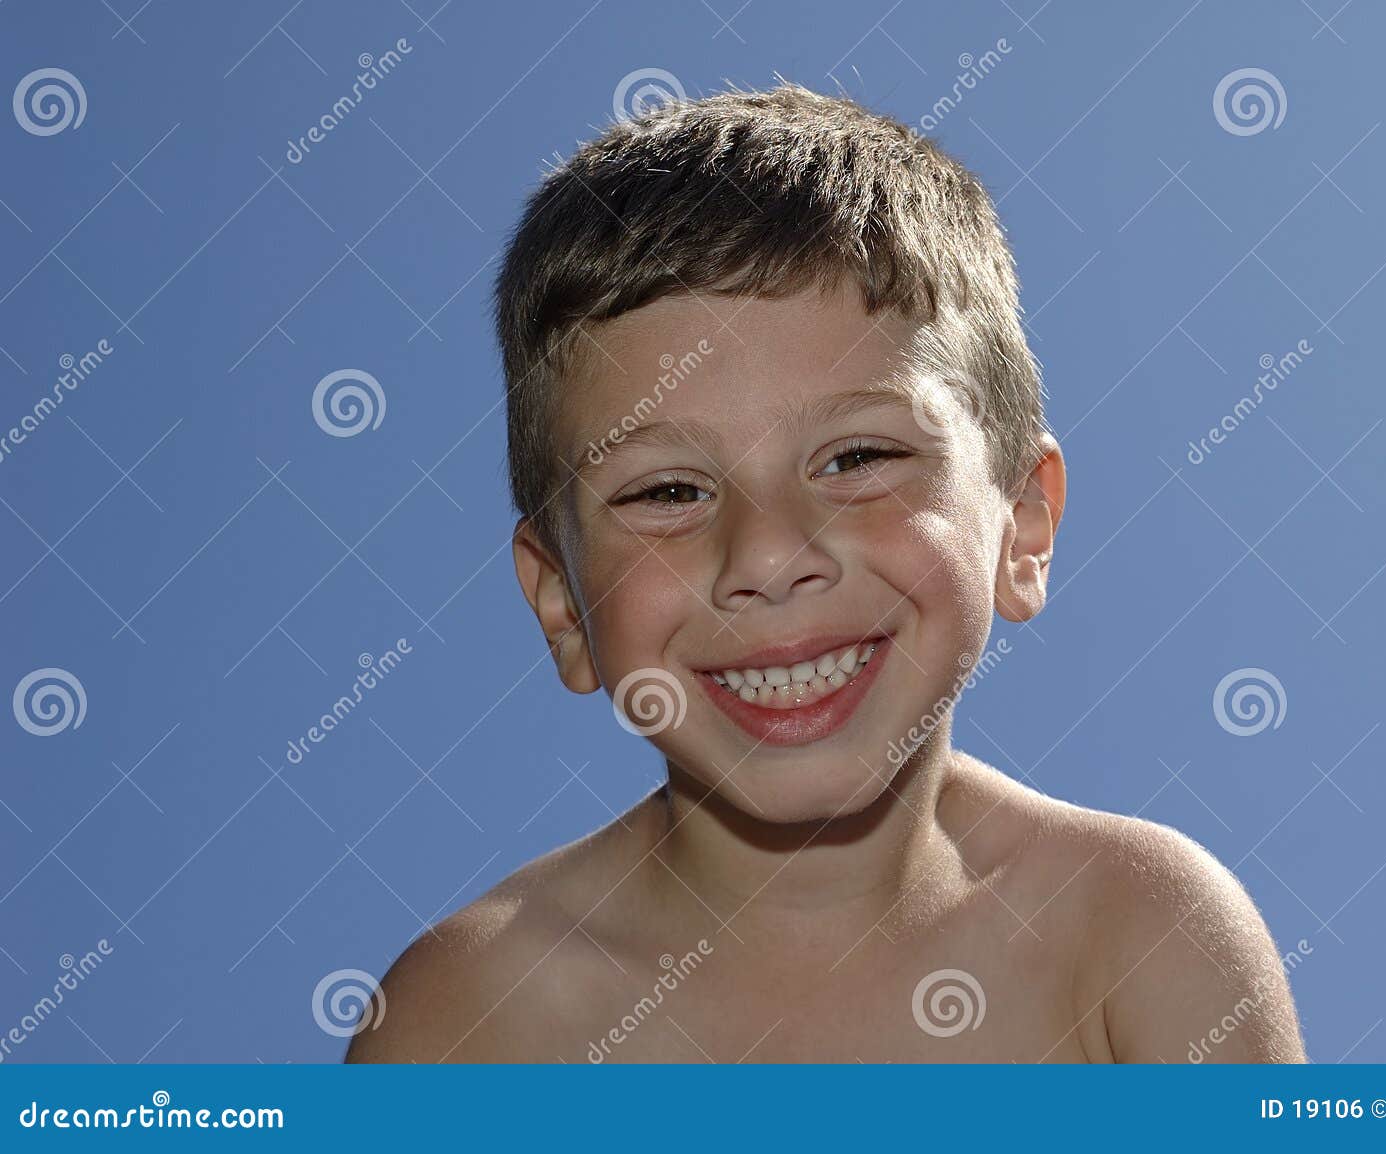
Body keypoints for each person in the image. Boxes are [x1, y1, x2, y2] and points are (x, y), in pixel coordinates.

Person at [347, 83, 1306, 1064]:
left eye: (857, 460)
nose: (767, 554)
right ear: (560, 601)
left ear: (1022, 526)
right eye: (668, 490)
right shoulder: (467, 1020)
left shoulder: (1139, 935)